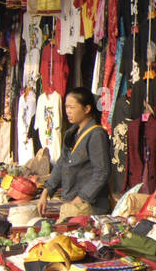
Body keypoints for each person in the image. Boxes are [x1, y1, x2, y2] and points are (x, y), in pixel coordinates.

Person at [38, 87, 113, 218]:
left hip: (90, 206)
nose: (68, 111)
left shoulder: (96, 134)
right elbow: (61, 163)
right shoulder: (71, 133)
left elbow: (102, 172)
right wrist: (46, 191)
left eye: (72, 107)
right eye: (66, 107)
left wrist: (81, 198)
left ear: (87, 109)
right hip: (72, 202)